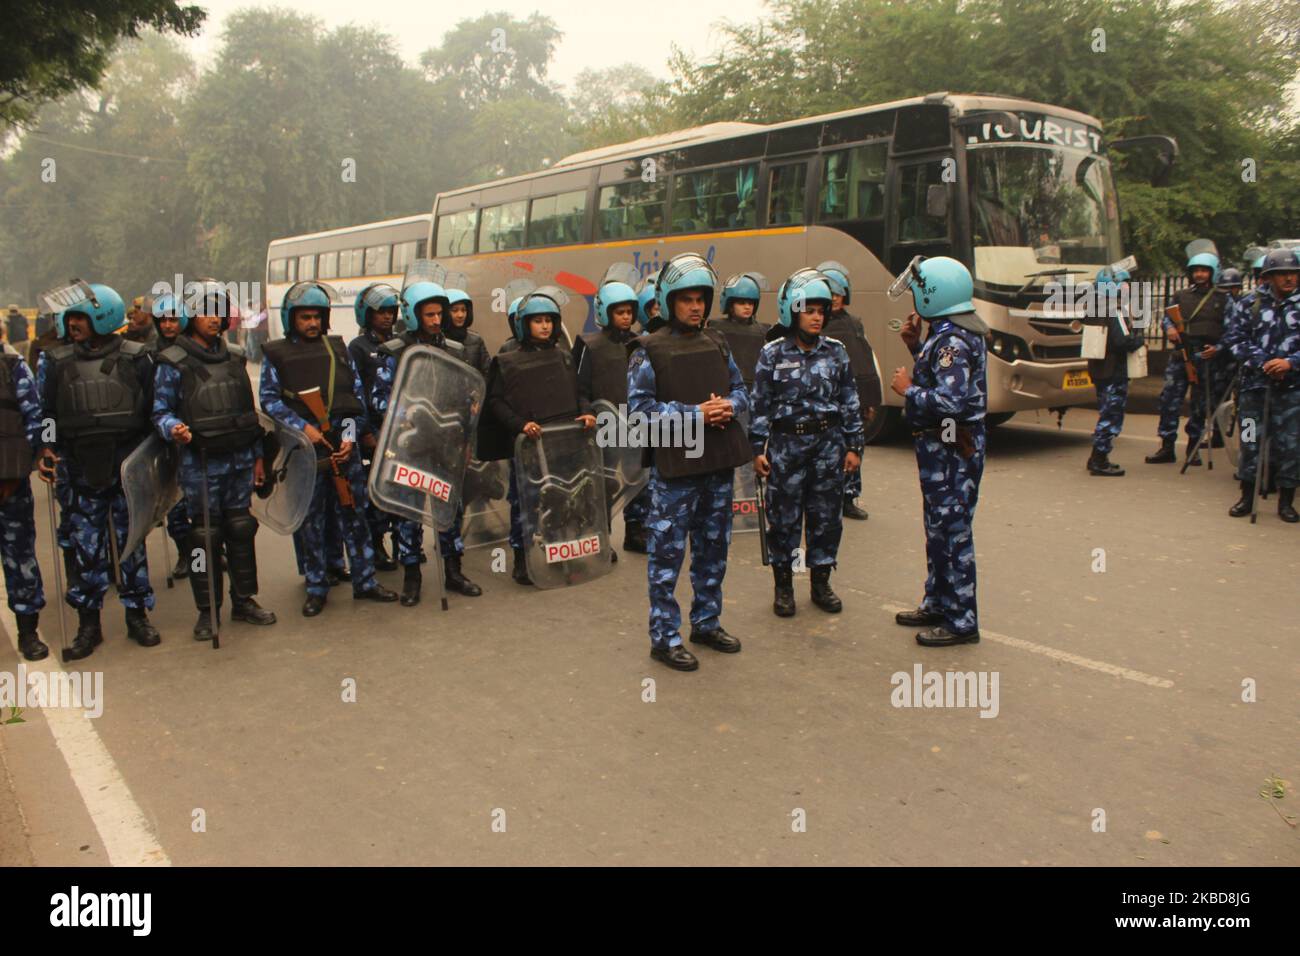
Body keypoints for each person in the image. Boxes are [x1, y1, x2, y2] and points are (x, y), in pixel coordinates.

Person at [627, 253, 750, 671]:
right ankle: (664, 638)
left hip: (717, 466)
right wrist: (695, 414)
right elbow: (639, 414)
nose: (696, 306)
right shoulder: (648, 350)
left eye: (701, 299)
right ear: (667, 301)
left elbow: (742, 391)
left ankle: (706, 623)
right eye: (686, 299)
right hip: (676, 473)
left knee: (713, 552)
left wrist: (728, 407)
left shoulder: (717, 341)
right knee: (666, 559)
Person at [36, 282, 161, 659]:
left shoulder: (138, 358)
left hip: (126, 466)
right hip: (80, 467)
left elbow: (155, 411)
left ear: (103, 316)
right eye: (69, 317)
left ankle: (137, 615)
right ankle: (88, 624)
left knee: (131, 545)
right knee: (87, 548)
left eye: (79, 317)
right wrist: (46, 447)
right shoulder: (55, 362)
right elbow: (47, 414)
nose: (71, 324)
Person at [259, 281, 398, 615]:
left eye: (317, 316)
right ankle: (317, 586)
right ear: (292, 318)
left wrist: (349, 437)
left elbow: (356, 399)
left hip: (342, 449)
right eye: (305, 317)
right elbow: (269, 401)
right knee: (312, 522)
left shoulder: (338, 350)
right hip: (305, 452)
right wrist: (303, 428)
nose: (312, 323)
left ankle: (365, 581)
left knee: (355, 516)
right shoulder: (276, 354)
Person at [153, 283, 276, 639]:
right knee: (204, 536)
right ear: (192, 316)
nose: (214, 319)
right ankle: (207, 611)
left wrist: (257, 459)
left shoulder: (236, 356)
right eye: (207, 312)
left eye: (219, 312)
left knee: (241, 529)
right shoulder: (173, 361)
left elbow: (248, 413)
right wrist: (172, 427)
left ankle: (244, 600)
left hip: (238, 458)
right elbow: (159, 410)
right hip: (200, 461)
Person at [749, 268, 863, 617]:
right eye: (808, 310)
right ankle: (784, 586)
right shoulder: (772, 354)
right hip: (786, 446)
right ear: (792, 311)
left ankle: (821, 582)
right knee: (783, 519)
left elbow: (849, 399)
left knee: (826, 517)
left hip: (828, 445)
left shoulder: (837, 352)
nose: (816, 317)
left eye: (821, 311)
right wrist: (757, 449)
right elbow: (760, 404)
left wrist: (854, 446)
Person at [888, 256, 988, 647]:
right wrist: (916, 347)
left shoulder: (952, 340)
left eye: (917, 293)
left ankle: (962, 620)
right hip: (940, 444)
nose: (914, 301)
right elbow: (945, 381)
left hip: (950, 444)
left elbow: (951, 401)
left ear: (934, 295)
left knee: (953, 533)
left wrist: (906, 389)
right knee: (937, 530)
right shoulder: (950, 330)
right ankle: (938, 602)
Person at [370, 280, 483, 604]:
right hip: (411, 443)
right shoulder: (393, 351)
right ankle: (412, 576)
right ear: (413, 315)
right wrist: (405, 414)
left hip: (446, 442)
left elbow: (467, 396)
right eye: (429, 314)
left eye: (439, 314)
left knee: (451, 509)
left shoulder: (455, 350)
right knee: (409, 513)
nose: (436, 320)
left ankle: (454, 570)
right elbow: (378, 399)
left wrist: (467, 423)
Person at [478, 287, 593, 585]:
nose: (544, 326)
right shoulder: (508, 362)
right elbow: (496, 403)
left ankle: (563, 554)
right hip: (530, 447)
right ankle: (521, 560)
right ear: (523, 325)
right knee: (526, 504)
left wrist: (587, 412)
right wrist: (520, 425)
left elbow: (580, 392)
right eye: (537, 320)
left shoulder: (565, 357)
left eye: (548, 320)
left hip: (564, 446)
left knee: (565, 502)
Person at [1225, 248, 1300, 521]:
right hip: (1253, 390)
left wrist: (1290, 363)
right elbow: (1234, 340)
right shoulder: (1249, 303)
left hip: (1291, 391)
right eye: (1282, 274)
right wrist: (1265, 363)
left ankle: (1286, 503)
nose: (1289, 278)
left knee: (1290, 447)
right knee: (1249, 442)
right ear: (1268, 277)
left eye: (1293, 273)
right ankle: (1246, 496)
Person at [574, 276, 642, 558]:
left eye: (629, 312)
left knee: (637, 479)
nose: (626, 318)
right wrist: (586, 412)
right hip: (605, 425)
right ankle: (601, 538)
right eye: (619, 312)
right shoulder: (589, 344)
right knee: (602, 484)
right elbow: (579, 388)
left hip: (635, 422)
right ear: (605, 313)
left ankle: (637, 531)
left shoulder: (641, 343)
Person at [1147, 245, 1230, 465]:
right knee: (1168, 401)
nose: (1199, 274)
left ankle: (1193, 448)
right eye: (1195, 270)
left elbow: (1233, 331)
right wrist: (1169, 328)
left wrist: (1219, 348)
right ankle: (1166, 447)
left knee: (1200, 405)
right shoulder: (1181, 295)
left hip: (1206, 357)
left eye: (1203, 270)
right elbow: (1166, 316)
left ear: (1212, 272)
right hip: (1181, 355)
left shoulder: (1224, 299)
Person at [818, 261, 882, 520]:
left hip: (853, 397)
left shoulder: (855, 323)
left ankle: (848, 497)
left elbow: (864, 361)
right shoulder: (817, 323)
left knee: (854, 448)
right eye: (829, 295)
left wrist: (868, 400)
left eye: (837, 294)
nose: (833, 299)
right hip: (828, 398)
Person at [0, 333, 49, 660]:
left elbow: (35, 417)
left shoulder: (13, 367)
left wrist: (21, 468)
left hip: (10, 483)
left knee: (21, 560)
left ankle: (27, 631)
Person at [348, 283, 402, 572]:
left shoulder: (401, 342)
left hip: (401, 430)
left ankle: (403, 545)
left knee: (401, 492)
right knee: (376, 495)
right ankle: (377, 545)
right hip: (374, 432)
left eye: (391, 311)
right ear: (367, 314)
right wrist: (365, 432)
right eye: (380, 312)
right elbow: (355, 393)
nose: (387, 317)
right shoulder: (358, 348)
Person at [148, 294, 195, 579]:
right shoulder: (148, 354)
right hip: (168, 435)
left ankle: (212, 553)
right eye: (162, 320)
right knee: (175, 506)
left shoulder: (197, 350)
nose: (168, 325)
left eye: (173, 319)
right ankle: (185, 554)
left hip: (199, 434)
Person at [1083, 269, 1145, 476]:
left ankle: (1098, 457)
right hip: (1113, 371)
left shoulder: (1093, 308)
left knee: (1105, 412)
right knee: (1110, 416)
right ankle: (1099, 460)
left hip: (1099, 369)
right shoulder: (1112, 310)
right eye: (1124, 283)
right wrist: (1138, 340)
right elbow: (1121, 342)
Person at [712, 272, 770, 387]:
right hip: (726, 387)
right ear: (730, 304)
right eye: (741, 303)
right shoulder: (715, 328)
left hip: (755, 389)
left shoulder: (763, 331)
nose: (747, 307)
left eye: (751, 303)